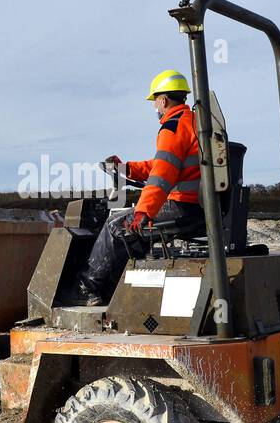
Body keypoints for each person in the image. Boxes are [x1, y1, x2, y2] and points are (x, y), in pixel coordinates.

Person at [70, 70, 206, 306]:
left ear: (163, 100)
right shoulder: (194, 123)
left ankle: (86, 288)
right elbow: (163, 165)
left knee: (115, 226)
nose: (155, 107)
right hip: (199, 207)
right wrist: (126, 169)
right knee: (130, 228)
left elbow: (161, 177)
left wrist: (144, 212)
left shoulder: (171, 129)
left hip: (183, 206)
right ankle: (116, 285)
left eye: (155, 101)